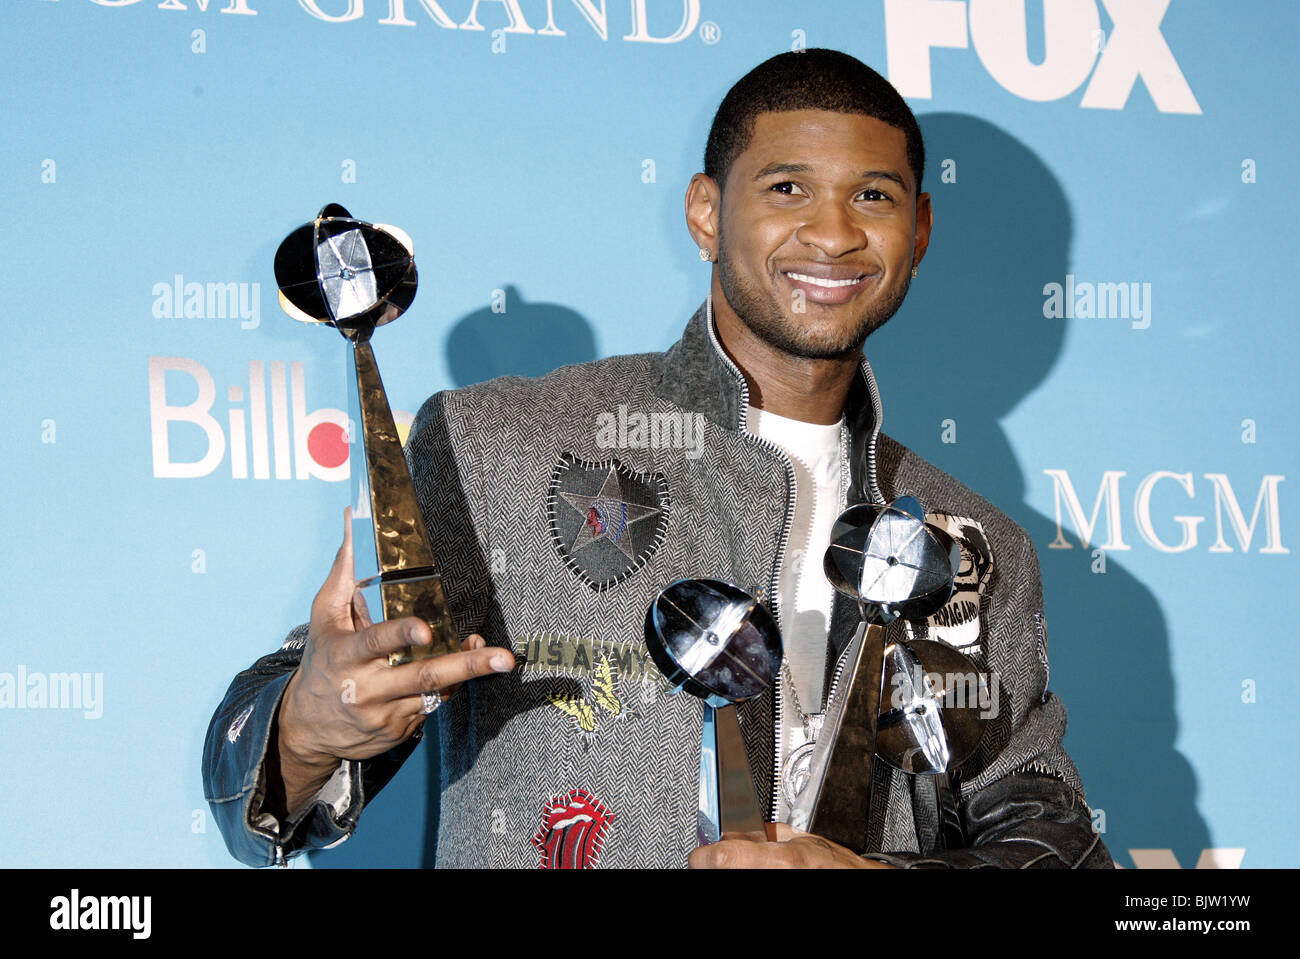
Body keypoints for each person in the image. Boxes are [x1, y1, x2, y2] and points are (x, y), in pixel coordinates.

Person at [203, 49, 1111, 869]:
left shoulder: (975, 541)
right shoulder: (502, 444)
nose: (832, 234)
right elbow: (267, 755)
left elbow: (1054, 836)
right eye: (787, 188)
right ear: (706, 212)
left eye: (871, 196)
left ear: (918, 230)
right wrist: (307, 729)